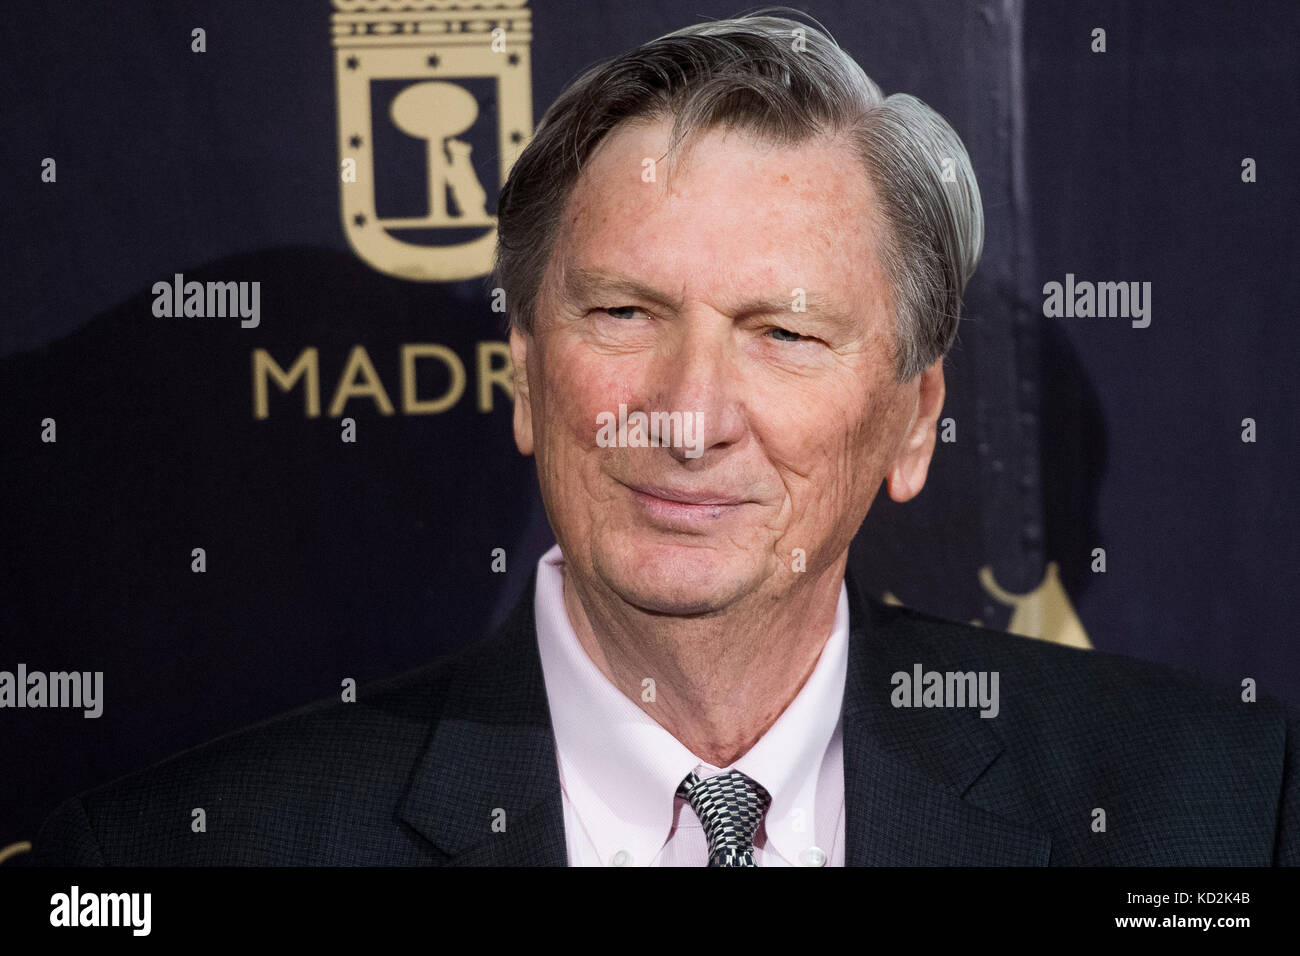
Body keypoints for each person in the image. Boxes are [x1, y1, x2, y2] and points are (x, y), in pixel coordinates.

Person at [34, 13, 1297, 867]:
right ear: (526, 378)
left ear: (914, 421)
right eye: (626, 313)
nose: (688, 413)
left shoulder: (1215, 811)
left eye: (785, 332)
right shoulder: (179, 854)